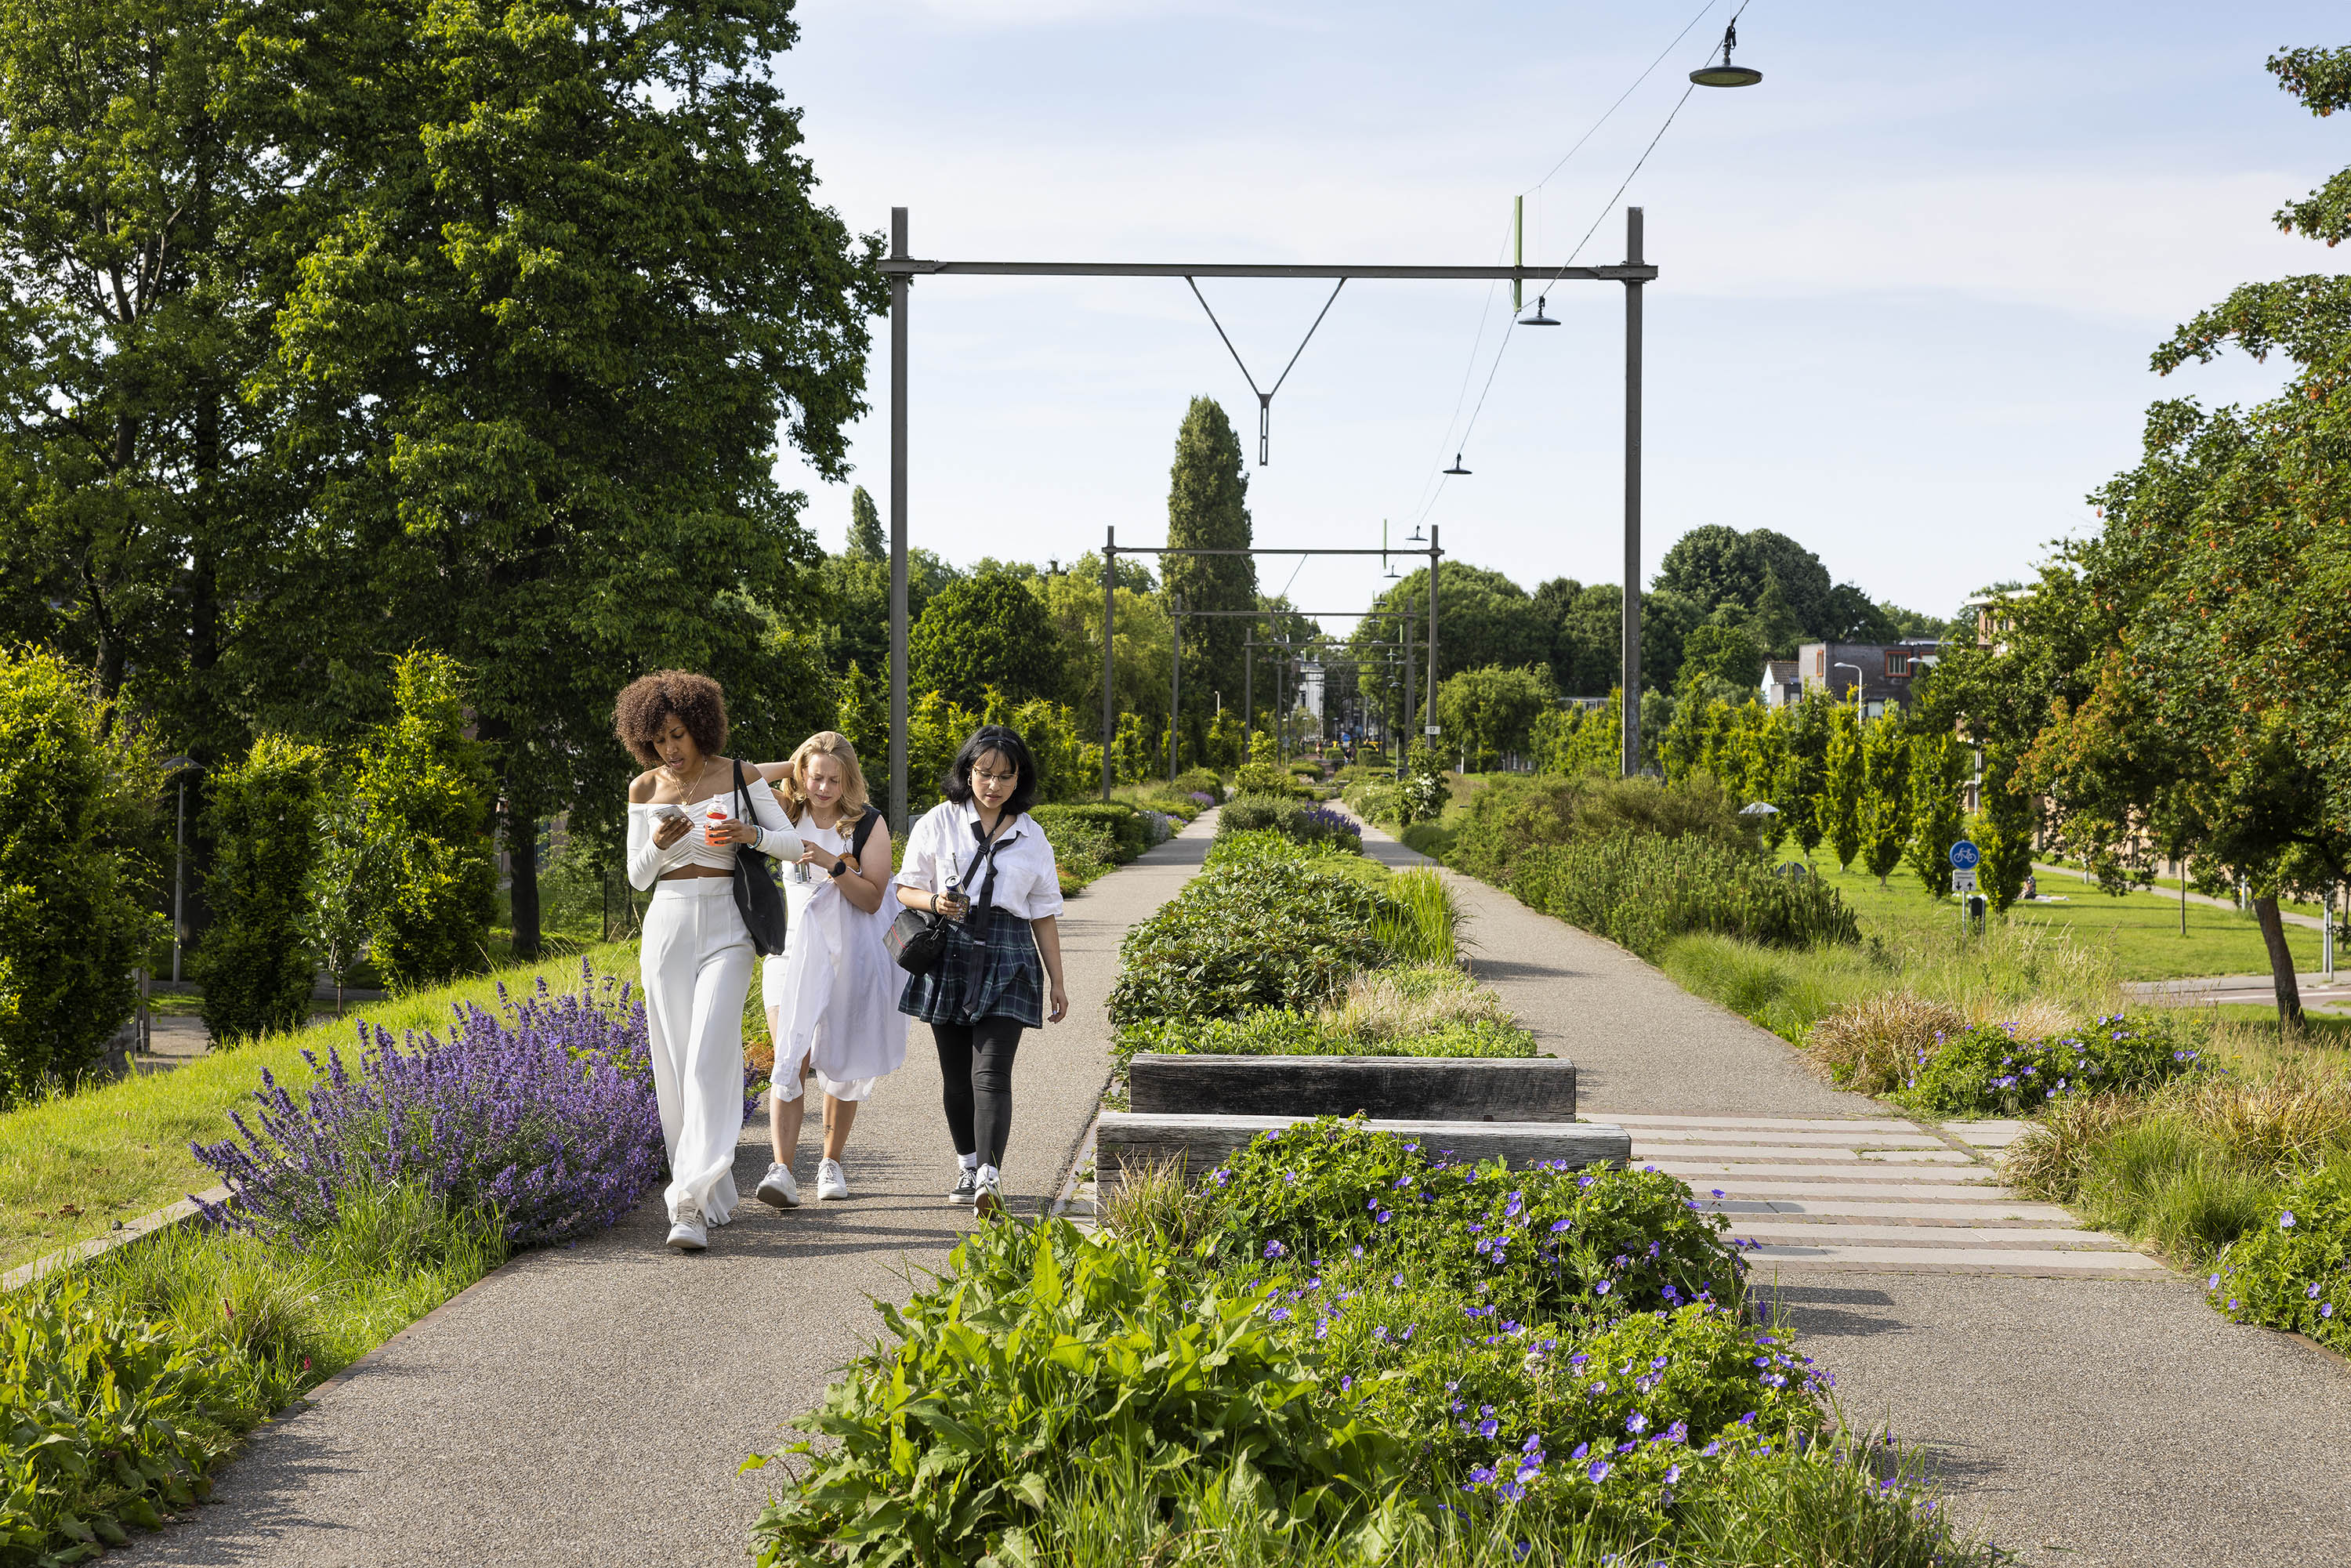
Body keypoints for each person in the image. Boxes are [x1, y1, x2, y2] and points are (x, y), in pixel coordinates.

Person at [619, 672, 802, 1253]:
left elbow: (794, 845)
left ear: (700, 726)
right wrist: (661, 845)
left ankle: (688, 1204)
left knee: (705, 1059)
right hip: (668, 927)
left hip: (728, 925)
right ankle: (705, 1189)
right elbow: (637, 876)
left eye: (677, 734)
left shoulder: (740, 774)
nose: (669, 749)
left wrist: (750, 834)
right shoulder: (644, 788)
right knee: (673, 1067)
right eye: (657, 740)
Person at [893, 726, 1069, 1218]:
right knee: (956, 1077)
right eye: (984, 773)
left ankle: (990, 1178)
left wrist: (1058, 980)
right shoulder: (939, 821)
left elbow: (1043, 914)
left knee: (991, 1070)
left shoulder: (1033, 837)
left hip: (1010, 953)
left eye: (1004, 776)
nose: (992, 785)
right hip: (951, 948)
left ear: (1019, 780)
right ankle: (968, 1164)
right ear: (968, 771)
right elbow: (905, 888)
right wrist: (935, 901)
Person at [751, 732, 904, 1208]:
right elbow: (739, 779)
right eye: (815, 776)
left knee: (838, 1060)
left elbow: (874, 896)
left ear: (848, 780)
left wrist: (834, 866)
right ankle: (782, 1170)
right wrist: (794, 762)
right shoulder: (785, 811)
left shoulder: (866, 824)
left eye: (833, 780)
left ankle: (830, 1163)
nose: (822, 788)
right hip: (790, 952)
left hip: (847, 956)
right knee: (790, 1054)